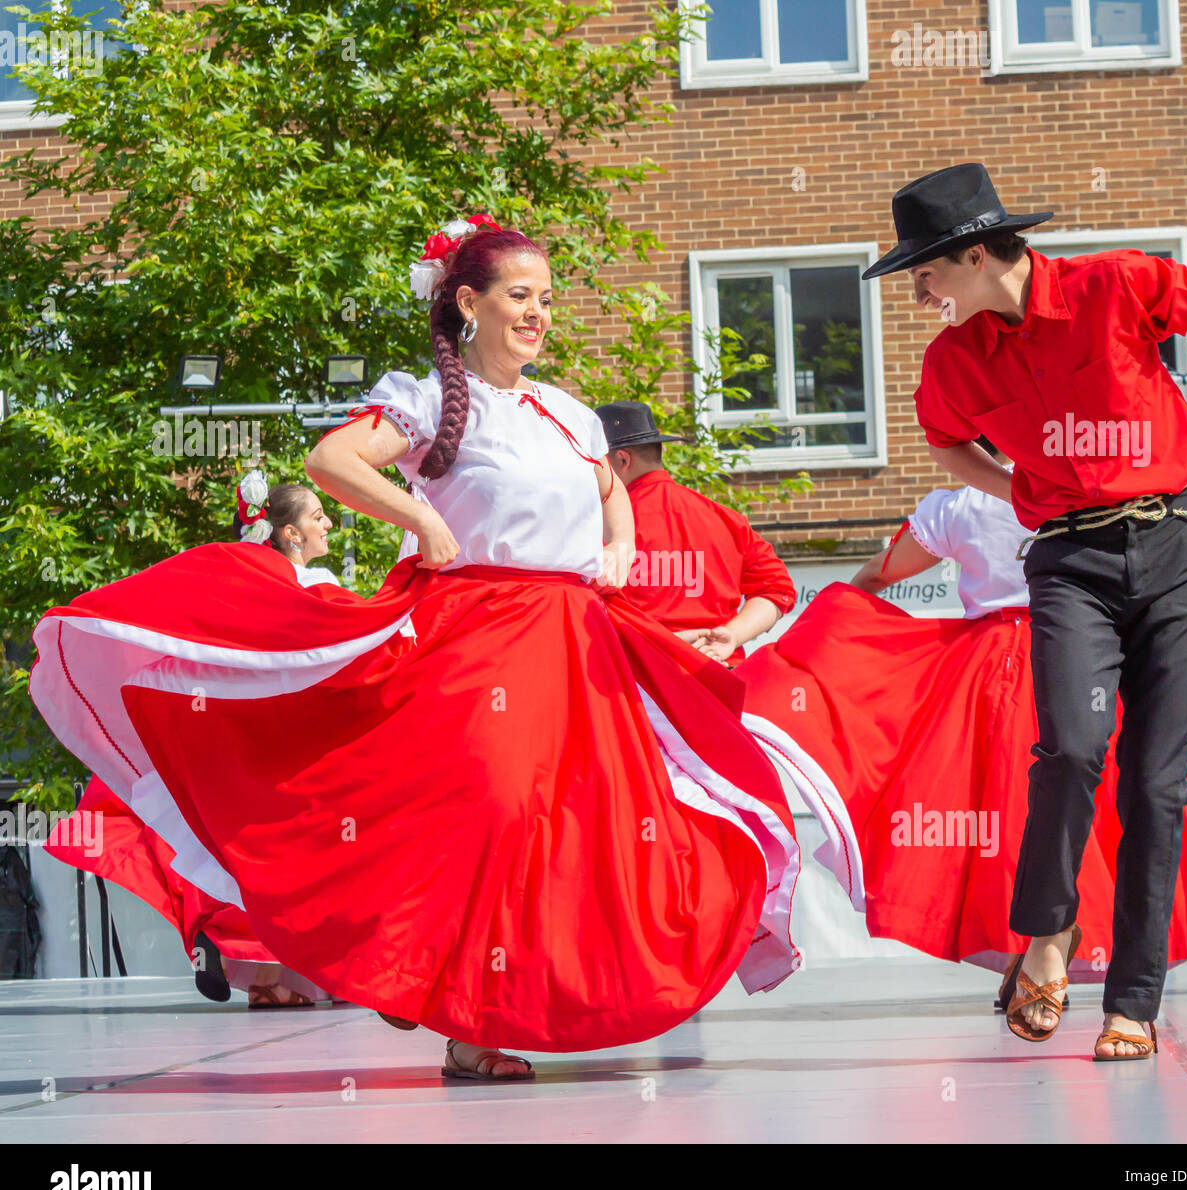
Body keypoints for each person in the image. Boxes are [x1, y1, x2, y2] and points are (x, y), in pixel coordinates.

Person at [29, 215, 801, 1083]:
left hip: (577, 639)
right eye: (520, 297)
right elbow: (332, 460)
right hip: (479, 634)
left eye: (546, 299)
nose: (539, 314)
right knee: (500, 813)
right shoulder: (432, 399)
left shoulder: (569, 413)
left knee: (586, 826)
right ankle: (465, 1016)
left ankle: (518, 998)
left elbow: (605, 492)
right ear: (468, 303)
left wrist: (618, 543)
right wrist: (422, 517)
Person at [863, 162, 1187, 1059]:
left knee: (1158, 785)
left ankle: (1133, 1001)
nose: (918, 291)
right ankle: (1048, 933)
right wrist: (1016, 488)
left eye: (924, 273)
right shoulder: (953, 359)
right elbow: (943, 440)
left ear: (975, 255)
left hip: (1174, 555)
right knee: (1074, 750)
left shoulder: (1119, 282)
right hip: (1070, 563)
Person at [736, 435, 1187, 1014]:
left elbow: (877, 573)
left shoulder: (960, 505)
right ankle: (1060, 953)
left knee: (1001, 823)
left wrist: (854, 622)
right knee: (1091, 814)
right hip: (1086, 658)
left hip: (991, 672)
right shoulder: (1087, 489)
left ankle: (1035, 952)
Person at [43, 474, 344, 1008]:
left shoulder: (235, 578)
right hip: (275, 743)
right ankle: (269, 970)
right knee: (285, 846)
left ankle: (263, 976)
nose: (327, 523)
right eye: (318, 515)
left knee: (220, 841)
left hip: (228, 739)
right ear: (291, 533)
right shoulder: (311, 584)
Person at [595, 401, 796, 665]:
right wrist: (732, 636)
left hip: (639, 677)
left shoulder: (604, 526)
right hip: (718, 671)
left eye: (596, 463)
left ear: (622, 460)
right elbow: (777, 589)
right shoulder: (725, 518)